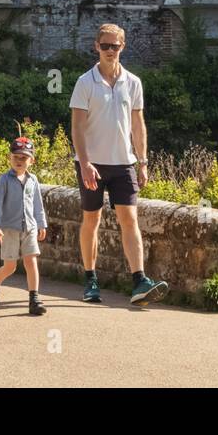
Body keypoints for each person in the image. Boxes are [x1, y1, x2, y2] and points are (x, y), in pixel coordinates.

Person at [70, 23, 169, 306]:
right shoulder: (85, 82)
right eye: (105, 45)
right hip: (92, 164)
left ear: (123, 47)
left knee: (130, 219)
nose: (110, 50)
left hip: (123, 162)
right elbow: (77, 128)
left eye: (115, 46)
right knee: (92, 219)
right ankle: (90, 279)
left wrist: (143, 161)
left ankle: (139, 280)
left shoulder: (133, 82)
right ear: (96, 46)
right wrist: (85, 162)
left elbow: (138, 125)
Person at [0, 136, 48, 316]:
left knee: (31, 261)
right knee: (10, 266)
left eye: (24, 158)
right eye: (16, 157)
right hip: (10, 228)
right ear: (9, 158)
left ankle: (34, 299)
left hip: (30, 227)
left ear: (32, 160)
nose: (19, 161)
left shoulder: (33, 180)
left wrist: (41, 223)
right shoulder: (4, 180)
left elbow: (37, 204)